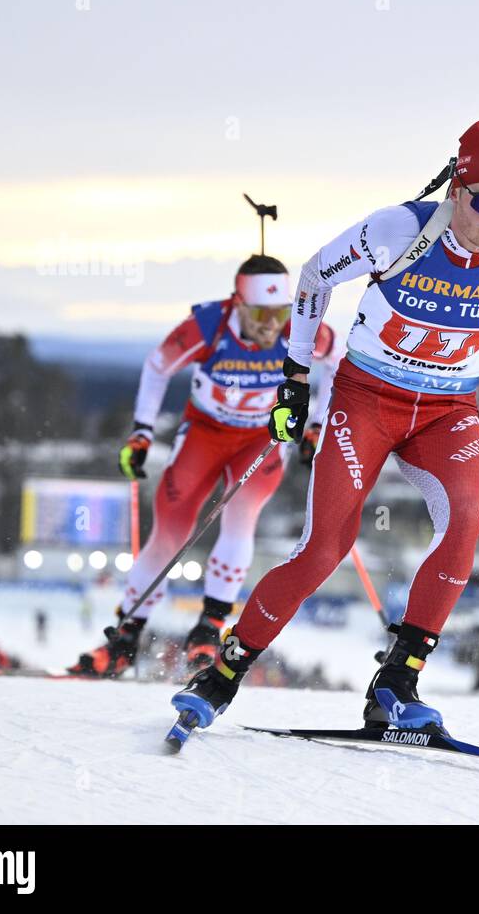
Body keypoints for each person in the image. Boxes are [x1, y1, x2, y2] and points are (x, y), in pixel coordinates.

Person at [172, 119, 479, 733]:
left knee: (464, 524)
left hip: (448, 410)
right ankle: (224, 672)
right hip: (368, 398)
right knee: (326, 547)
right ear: (458, 190)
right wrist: (295, 379)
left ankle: (398, 682)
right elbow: (314, 277)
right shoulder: (396, 230)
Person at [70, 255, 339, 677]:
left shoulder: (300, 326)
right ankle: (124, 639)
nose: (271, 324)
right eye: (260, 313)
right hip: (205, 433)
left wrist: (316, 425)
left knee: (241, 519)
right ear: (237, 303)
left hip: (260, 437)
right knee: (170, 531)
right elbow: (157, 367)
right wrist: (141, 431)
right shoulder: (208, 325)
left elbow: (337, 362)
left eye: (280, 311)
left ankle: (208, 632)